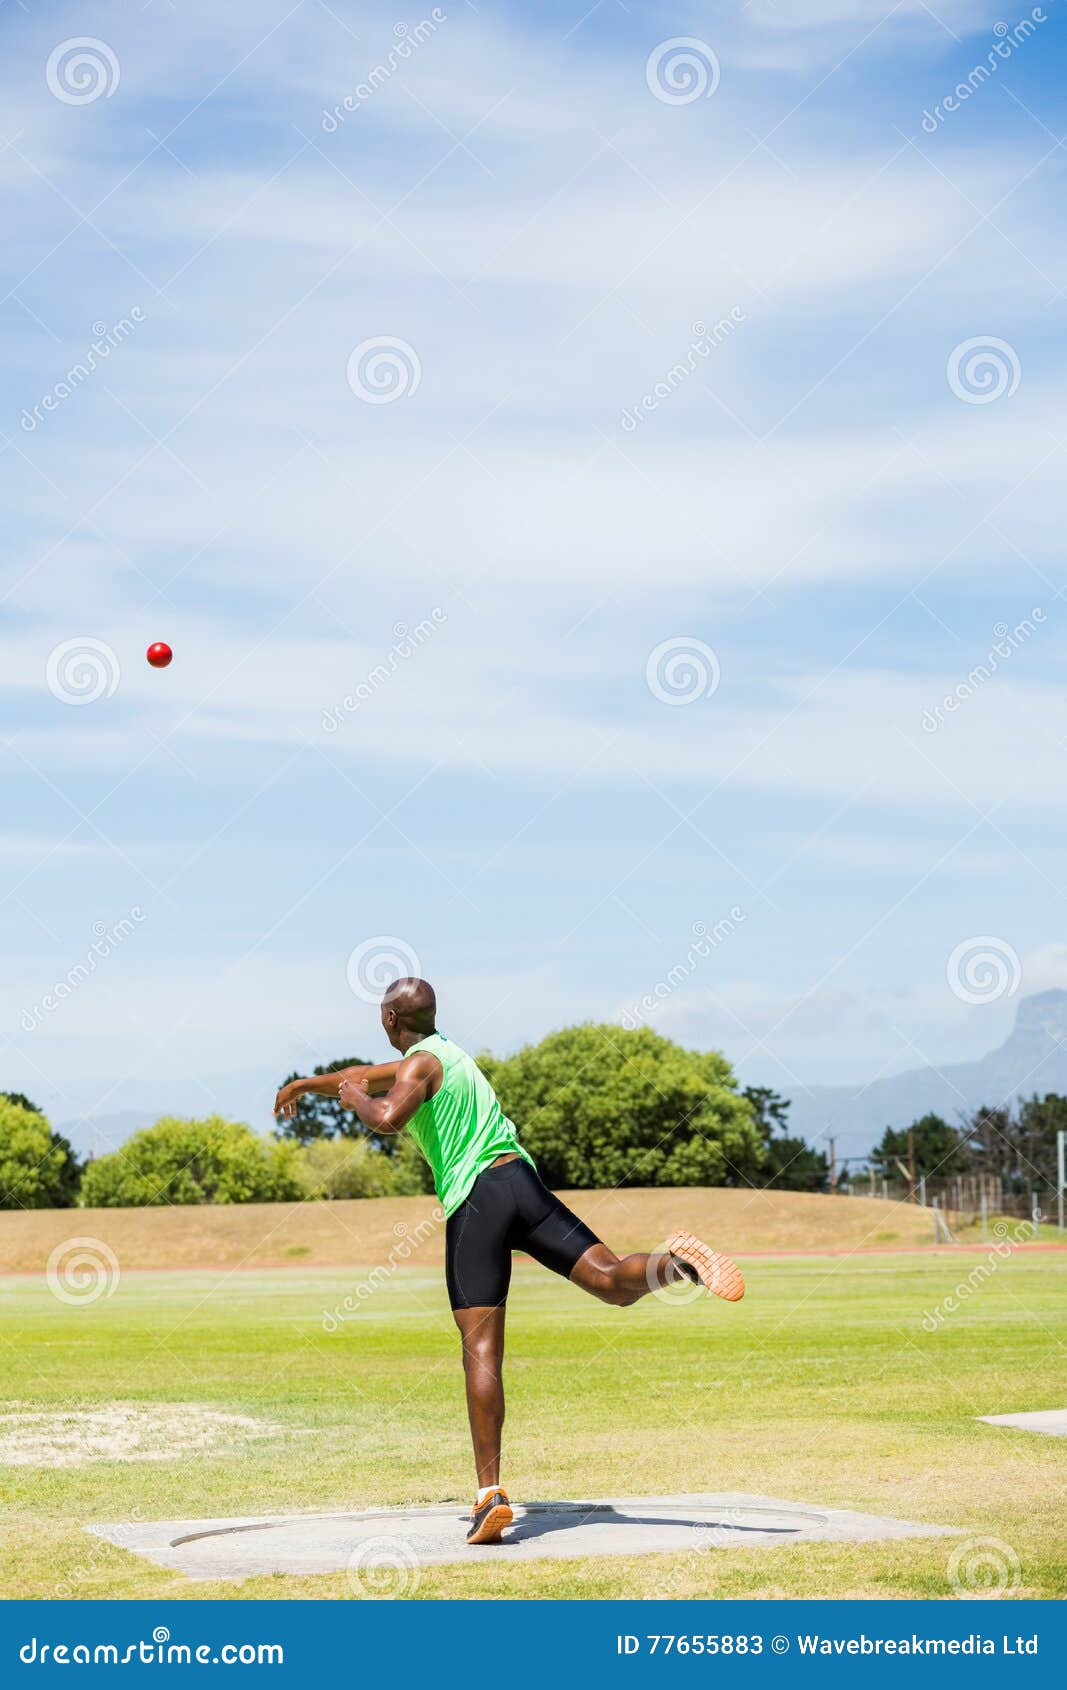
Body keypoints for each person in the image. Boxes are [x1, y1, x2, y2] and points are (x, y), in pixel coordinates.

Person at [274, 978, 744, 1545]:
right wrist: (304, 1085)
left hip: (477, 1200)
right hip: (521, 1183)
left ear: (390, 1020)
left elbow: (387, 1115)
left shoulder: (418, 1066)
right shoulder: (446, 1056)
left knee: (481, 1351)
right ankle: (678, 1266)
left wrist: (355, 1101)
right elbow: (360, 1075)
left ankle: (490, 1495)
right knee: (610, 1280)